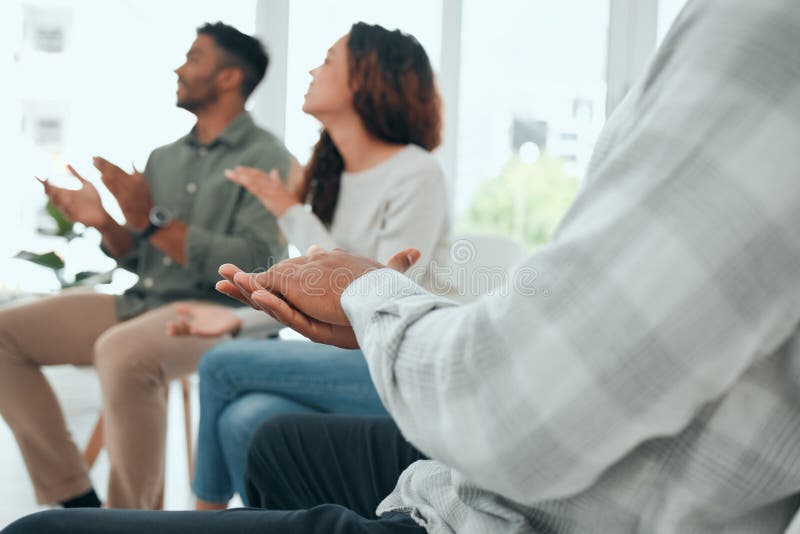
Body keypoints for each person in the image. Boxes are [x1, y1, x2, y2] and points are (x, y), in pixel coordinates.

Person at [8, 0, 800, 531]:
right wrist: (128, 228)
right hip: (326, 332)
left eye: (329, 57)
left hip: (387, 350)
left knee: (214, 376)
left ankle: (160, 513)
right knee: (257, 429)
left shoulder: (371, 170)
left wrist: (269, 277)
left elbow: (351, 278)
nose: (314, 66)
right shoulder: (310, 172)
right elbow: (317, 279)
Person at [0, 22, 291, 510]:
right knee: (4, 332)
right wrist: (105, 223)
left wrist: (154, 221)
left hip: (215, 316)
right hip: (145, 302)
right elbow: (139, 256)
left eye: (195, 58)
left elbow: (259, 263)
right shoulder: (165, 157)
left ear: (229, 78)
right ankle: (76, 502)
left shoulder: (268, 158)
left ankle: (131, 521)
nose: (180, 67)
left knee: (122, 351)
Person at [167, 21, 454, 509]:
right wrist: (237, 317)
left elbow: (364, 292)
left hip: (398, 369)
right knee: (247, 418)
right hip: (347, 361)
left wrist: (289, 211)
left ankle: (202, 521)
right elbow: (317, 293)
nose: (311, 69)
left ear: (367, 78)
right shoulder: (332, 176)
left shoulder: (415, 172)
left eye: (327, 61)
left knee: (219, 364)